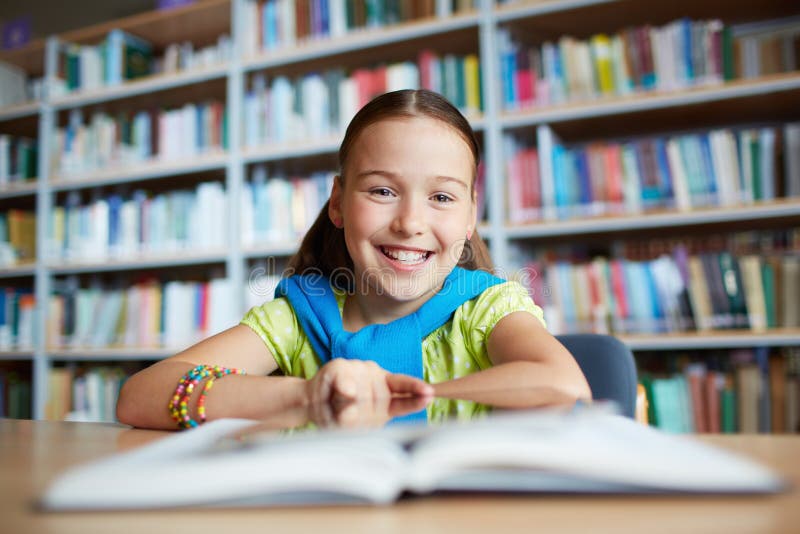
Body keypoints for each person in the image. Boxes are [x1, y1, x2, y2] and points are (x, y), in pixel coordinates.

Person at [116, 89, 591, 430]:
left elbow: (566, 388)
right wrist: (307, 394)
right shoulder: (298, 319)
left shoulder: (487, 311)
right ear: (338, 203)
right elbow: (139, 398)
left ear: (471, 216)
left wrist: (417, 395)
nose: (410, 222)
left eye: (442, 198)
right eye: (383, 191)